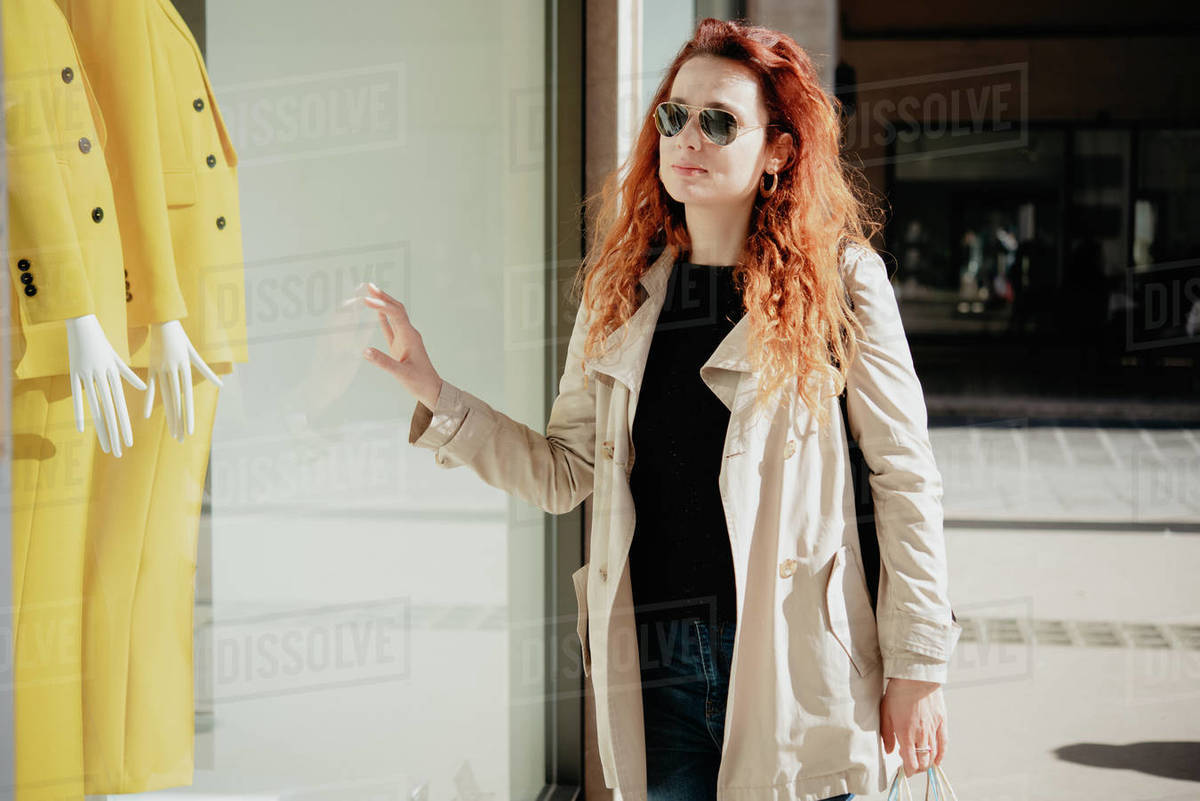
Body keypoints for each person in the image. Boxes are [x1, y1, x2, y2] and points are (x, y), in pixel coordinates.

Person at [354, 17, 957, 801]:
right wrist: (438, 395)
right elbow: (565, 472)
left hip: (794, 667)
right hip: (658, 670)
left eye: (719, 121)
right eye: (674, 115)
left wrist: (918, 665)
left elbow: (905, 479)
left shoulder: (841, 284)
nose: (688, 137)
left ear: (779, 148)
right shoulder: (623, 291)